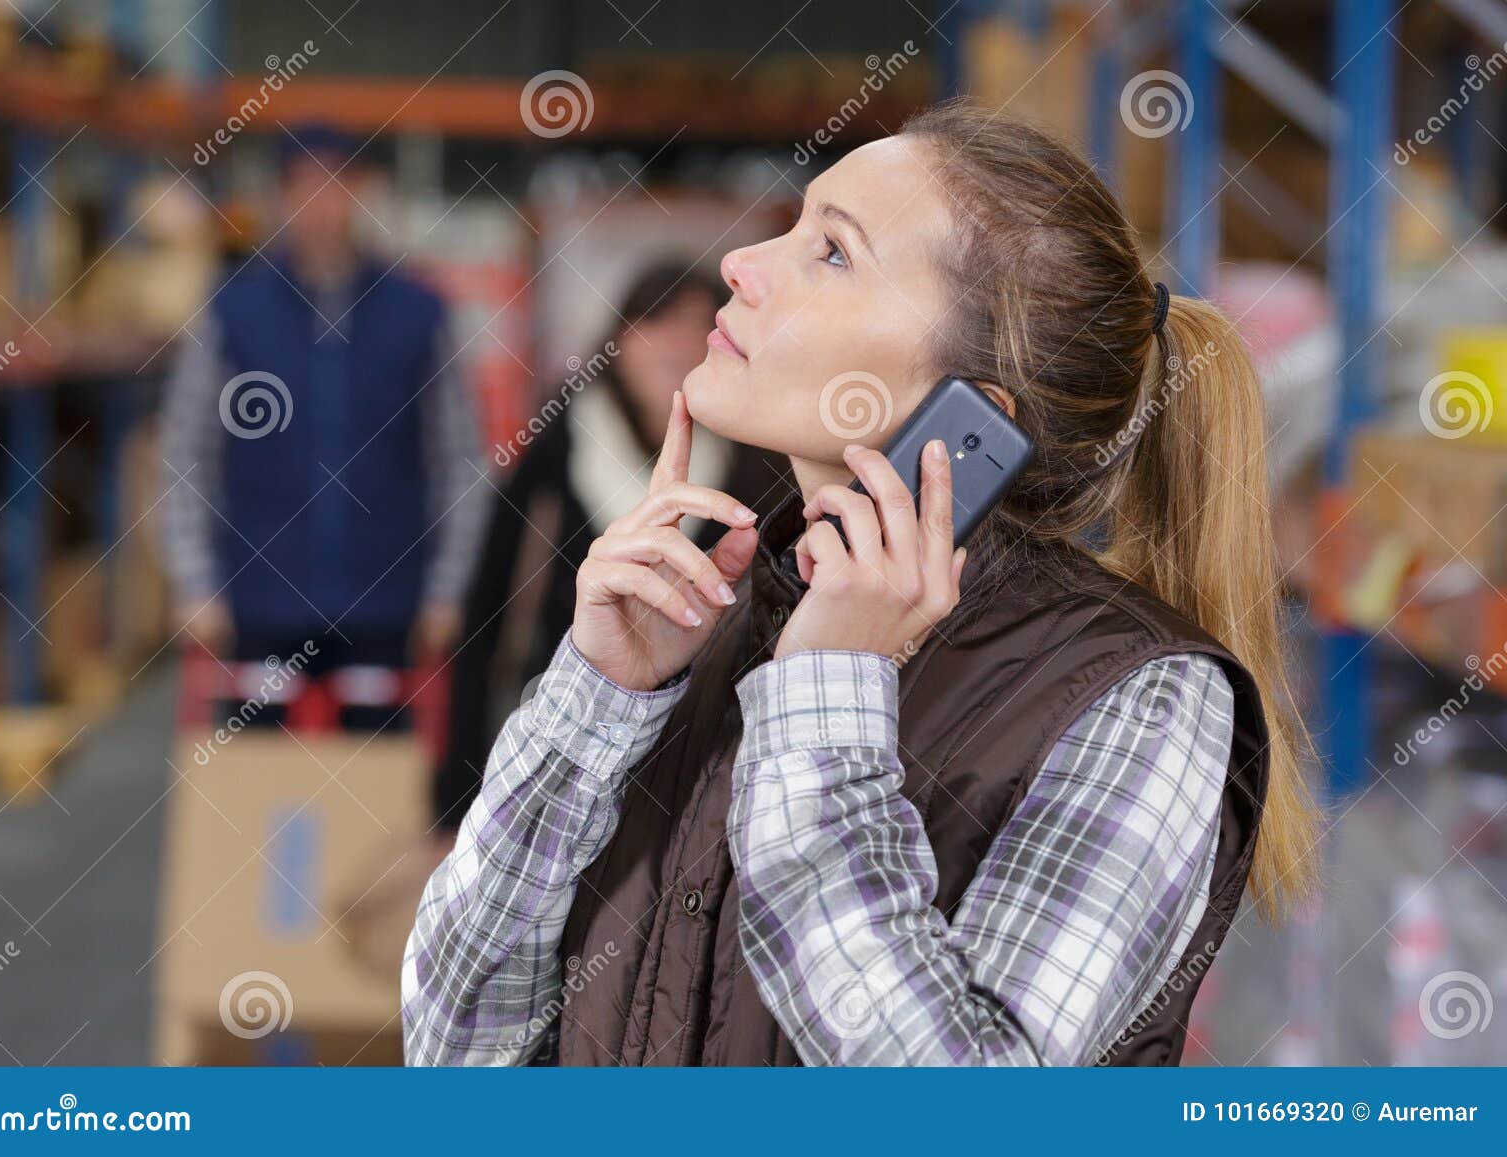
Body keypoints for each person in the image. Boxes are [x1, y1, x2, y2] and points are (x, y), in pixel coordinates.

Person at [402, 101, 1323, 1067]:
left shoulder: (1137, 697)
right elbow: (459, 1050)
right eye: (794, 228)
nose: (741, 266)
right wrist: (599, 702)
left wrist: (827, 701)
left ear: (968, 416)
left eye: (832, 252)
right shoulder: (711, 619)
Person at [429, 261, 793, 831]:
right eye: (657, 324)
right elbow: (484, 625)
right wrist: (455, 798)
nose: (675, 346)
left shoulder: (756, 465)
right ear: (620, 339)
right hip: (555, 749)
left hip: (697, 772)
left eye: (695, 328)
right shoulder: (553, 453)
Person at [161, 126, 488, 725]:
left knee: (377, 799)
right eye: (305, 187)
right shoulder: (233, 313)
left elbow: (459, 461)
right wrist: (195, 582)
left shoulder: (418, 313)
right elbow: (187, 453)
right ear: (280, 198)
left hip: (384, 604)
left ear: (362, 196)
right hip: (260, 602)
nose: (322, 206)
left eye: (338, 185)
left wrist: (446, 589)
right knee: (253, 802)